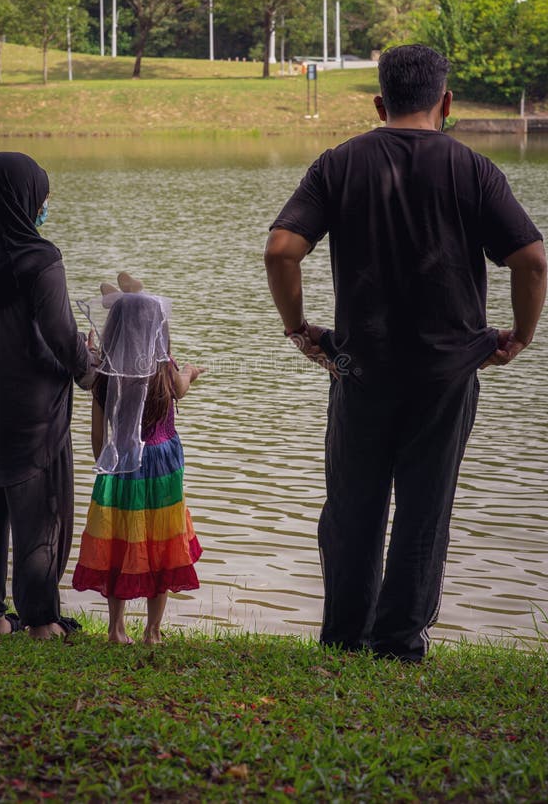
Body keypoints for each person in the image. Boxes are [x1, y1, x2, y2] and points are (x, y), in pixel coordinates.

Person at [265, 44, 546, 662]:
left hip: (358, 367)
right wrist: (520, 335)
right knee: (424, 509)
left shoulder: (338, 164)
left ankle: (343, 638)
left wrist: (299, 329)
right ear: (446, 102)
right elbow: (532, 261)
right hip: (446, 373)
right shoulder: (473, 170)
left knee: (352, 506)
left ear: (378, 102)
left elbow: (282, 249)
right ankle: (398, 645)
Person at [0, 152, 95, 639]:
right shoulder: (40, 258)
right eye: (42, 198)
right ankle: (40, 621)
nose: (44, 207)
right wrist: (91, 373)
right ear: (22, 199)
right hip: (34, 410)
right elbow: (62, 336)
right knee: (42, 512)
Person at [72, 283, 204, 644]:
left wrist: (106, 469)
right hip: (162, 465)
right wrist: (192, 372)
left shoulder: (105, 376)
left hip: (122, 464)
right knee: (161, 541)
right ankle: (153, 630)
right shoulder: (164, 370)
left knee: (120, 539)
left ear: (112, 329)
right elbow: (181, 387)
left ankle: (116, 629)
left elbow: (98, 438)